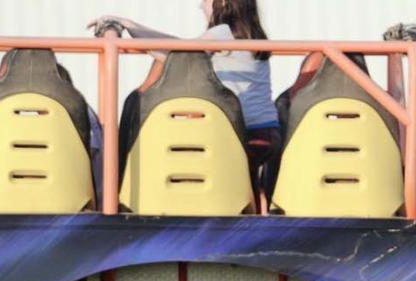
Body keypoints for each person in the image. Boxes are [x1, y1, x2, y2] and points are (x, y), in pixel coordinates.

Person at [88, 1, 281, 199]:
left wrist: (128, 25)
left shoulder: (222, 32)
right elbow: (179, 48)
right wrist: (130, 25)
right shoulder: (250, 36)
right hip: (267, 131)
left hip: (241, 134)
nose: (201, 5)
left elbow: (179, 54)